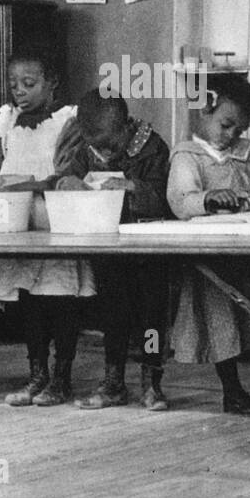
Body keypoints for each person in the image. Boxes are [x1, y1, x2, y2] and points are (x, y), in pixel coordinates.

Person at [0, 46, 90, 408]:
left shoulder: (69, 122)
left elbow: (69, 173)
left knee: (59, 299)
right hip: (14, 223)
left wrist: (19, 186)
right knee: (29, 300)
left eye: (29, 83)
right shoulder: (6, 121)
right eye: (14, 84)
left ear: (52, 83)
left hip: (54, 221)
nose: (19, 91)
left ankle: (62, 375)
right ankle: (37, 372)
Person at [166, 76, 250, 417]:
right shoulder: (187, 156)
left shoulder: (249, 154)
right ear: (205, 109)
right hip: (212, 256)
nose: (231, 136)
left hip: (249, 253)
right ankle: (232, 391)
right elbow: (180, 201)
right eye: (226, 125)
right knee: (221, 324)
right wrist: (209, 199)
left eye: (239, 130)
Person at [57, 88, 172, 411]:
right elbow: (65, 179)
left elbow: (168, 197)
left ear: (126, 127)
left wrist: (134, 188)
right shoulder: (86, 151)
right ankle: (113, 382)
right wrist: (70, 185)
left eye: (109, 143)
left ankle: (152, 382)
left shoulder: (152, 148)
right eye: (96, 144)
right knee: (113, 316)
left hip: (149, 250)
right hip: (108, 248)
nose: (103, 150)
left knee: (151, 318)